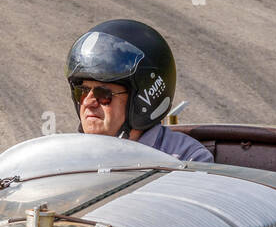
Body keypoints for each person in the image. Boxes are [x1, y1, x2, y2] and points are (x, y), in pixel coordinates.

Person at [66, 19, 213, 164]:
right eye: (82, 91)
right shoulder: (66, 156)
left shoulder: (186, 159)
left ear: (143, 100)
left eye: (103, 94)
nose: (88, 102)